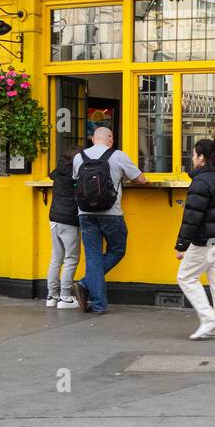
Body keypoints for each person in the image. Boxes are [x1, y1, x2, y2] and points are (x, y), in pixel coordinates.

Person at [72, 125, 146, 314]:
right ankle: (85, 284)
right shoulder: (118, 156)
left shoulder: (78, 157)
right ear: (110, 138)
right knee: (117, 250)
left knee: (93, 257)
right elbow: (141, 180)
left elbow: (76, 181)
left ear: (93, 139)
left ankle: (97, 301)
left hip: (85, 213)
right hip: (111, 213)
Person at [175, 138, 215, 340]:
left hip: (207, 241)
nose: (192, 158)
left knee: (185, 276)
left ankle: (208, 317)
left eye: (194, 155)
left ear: (202, 158)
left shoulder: (201, 182)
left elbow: (192, 217)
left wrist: (181, 245)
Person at [46, 148, 81, 310]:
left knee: (56, 258)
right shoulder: (74, 174)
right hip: (69, 219)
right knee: (71, 258)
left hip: (54, 218)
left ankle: (52, 296)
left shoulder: (58, 172)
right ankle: (65, 297)